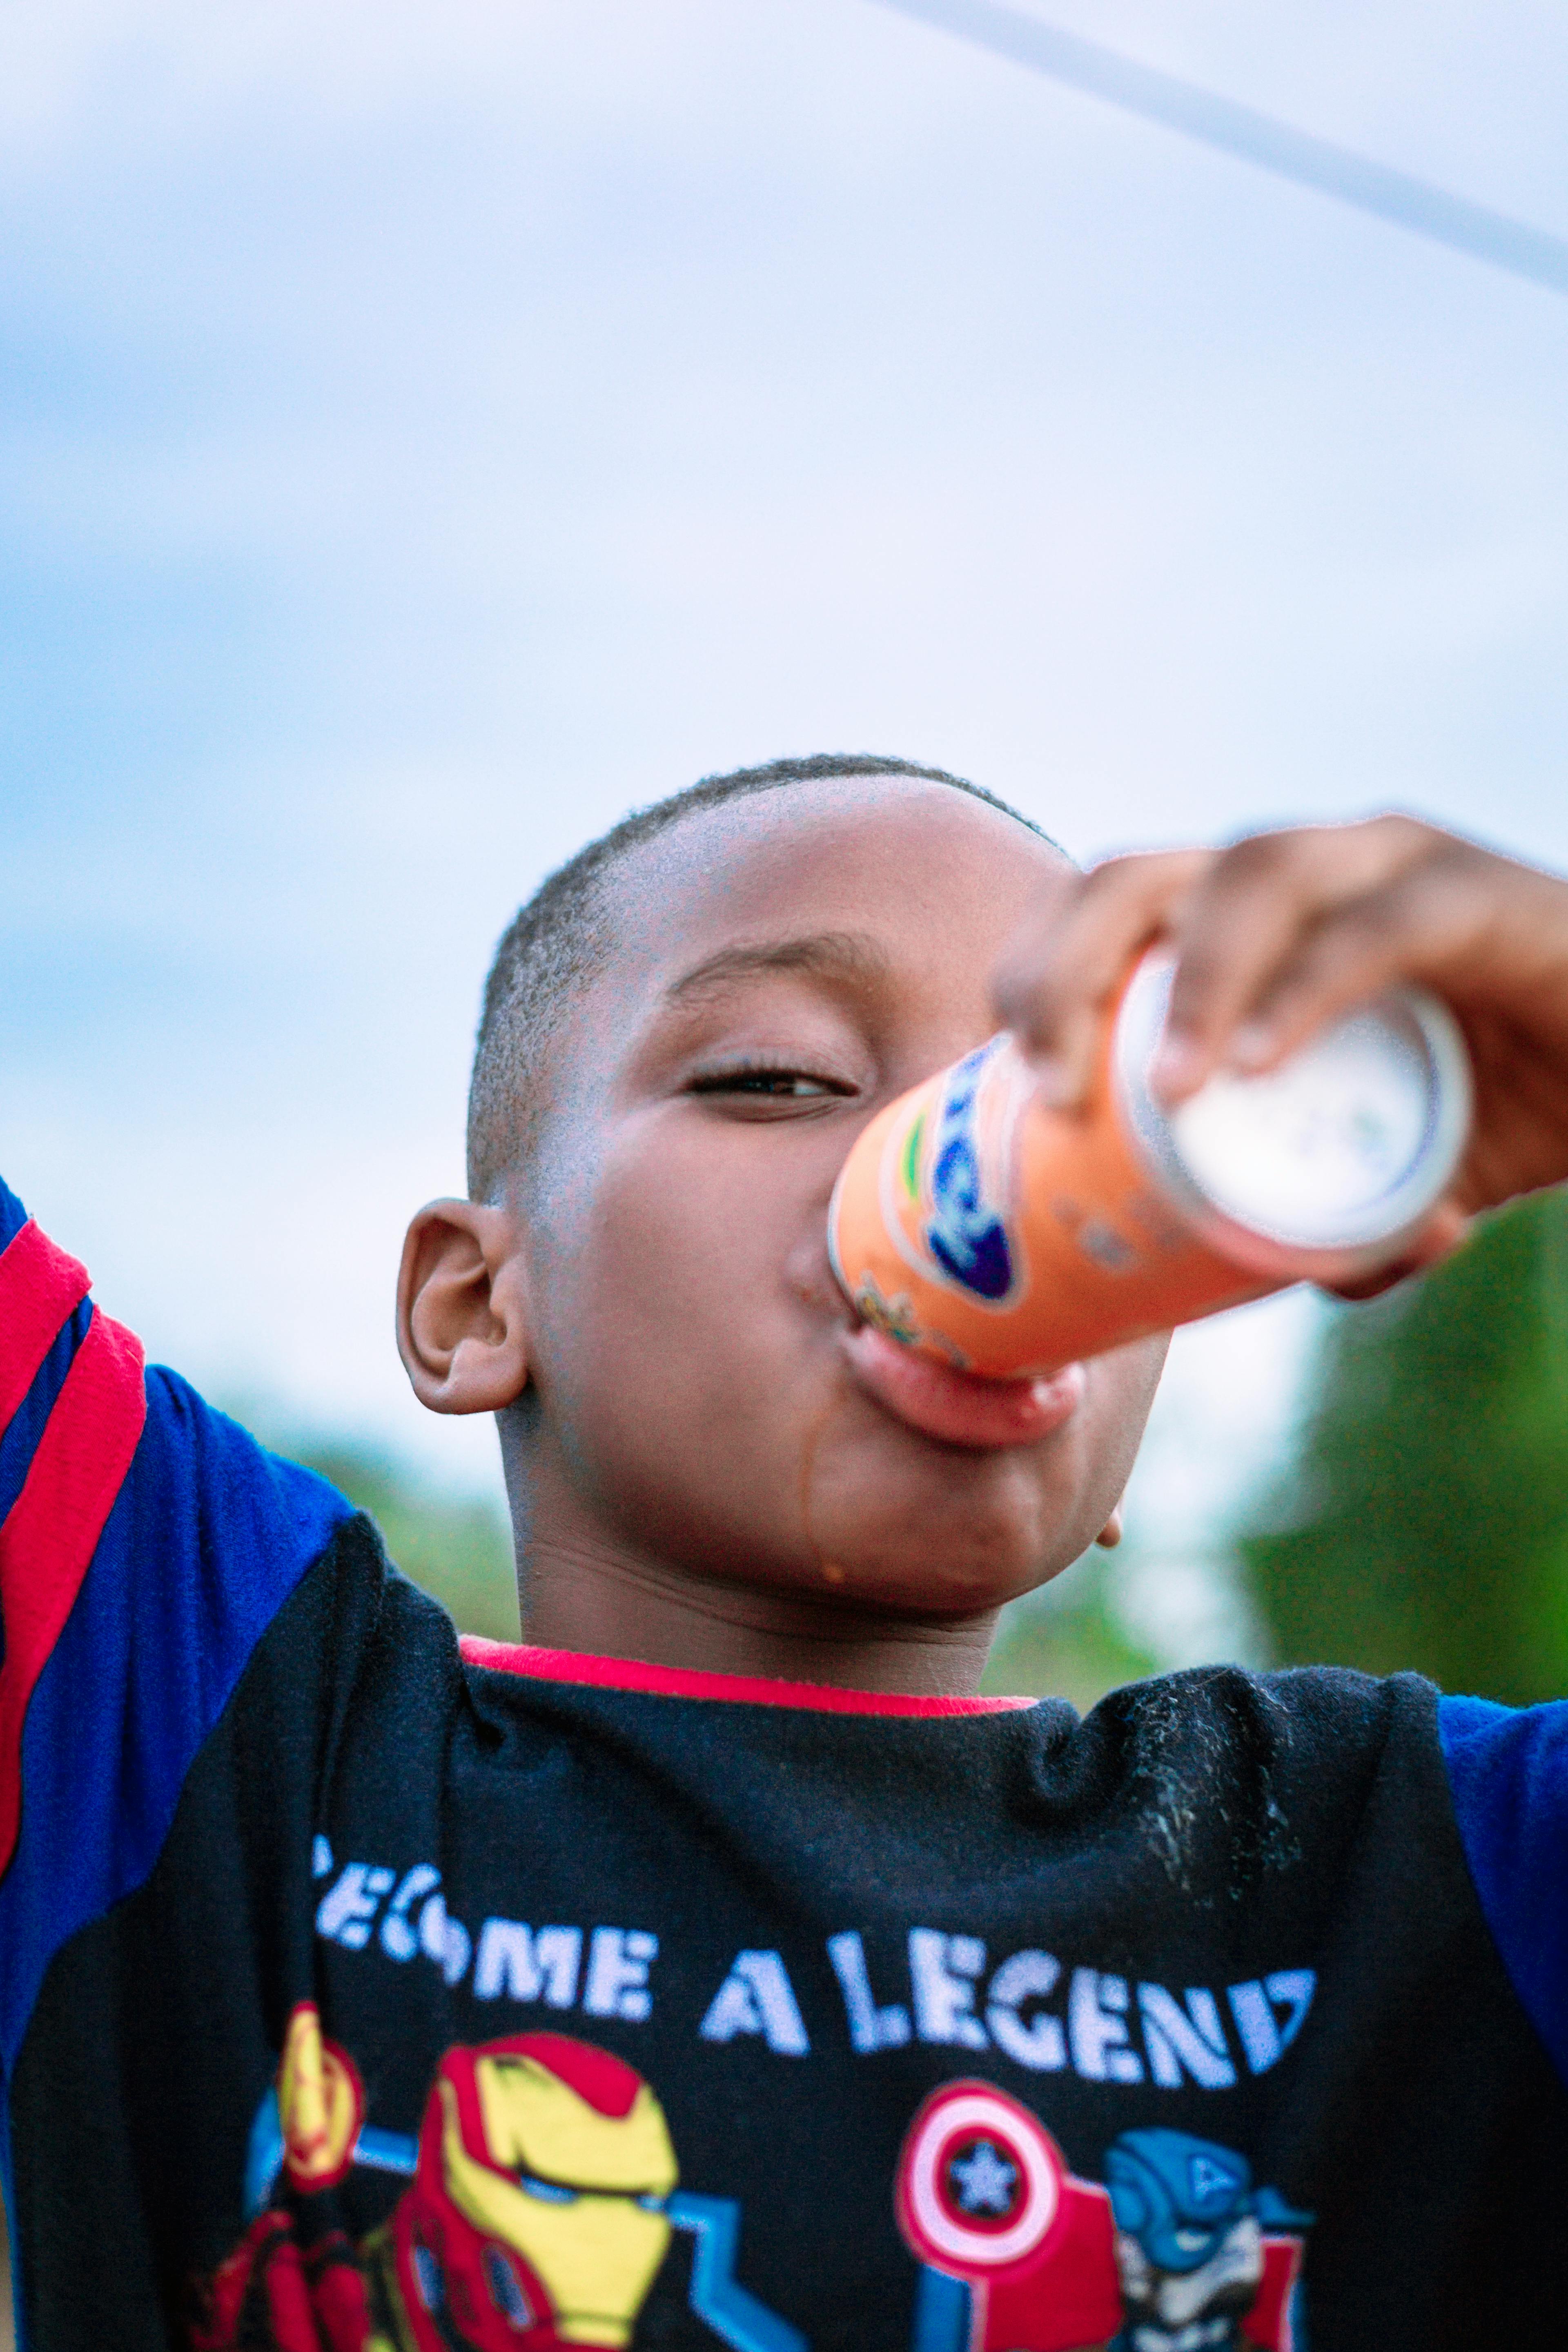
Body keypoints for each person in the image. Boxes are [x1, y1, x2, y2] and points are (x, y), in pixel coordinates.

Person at [1, 753, 1565, 2352]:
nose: (986, 1161)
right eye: (781, 1078)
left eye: (1094, 1125)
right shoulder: (216, 1725)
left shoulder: (1407, 1874)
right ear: (474, 1305)